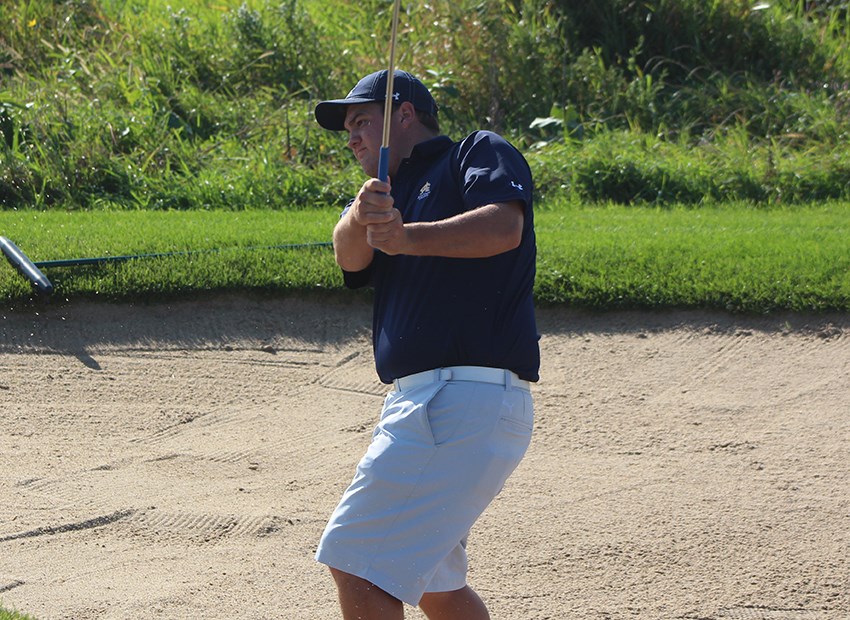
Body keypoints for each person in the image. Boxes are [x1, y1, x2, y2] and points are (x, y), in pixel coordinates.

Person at [313, 69, 540, 620]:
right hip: (431, 404)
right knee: (438, 588)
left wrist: (406, 236)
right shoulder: (383, 196)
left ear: (406, 115)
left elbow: (503, 227)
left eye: (363, 120)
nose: (353, 137)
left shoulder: (473, 153)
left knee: (358, 563)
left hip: (460, 398)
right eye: (348, 129)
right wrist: (360, 213)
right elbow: (351, 258)